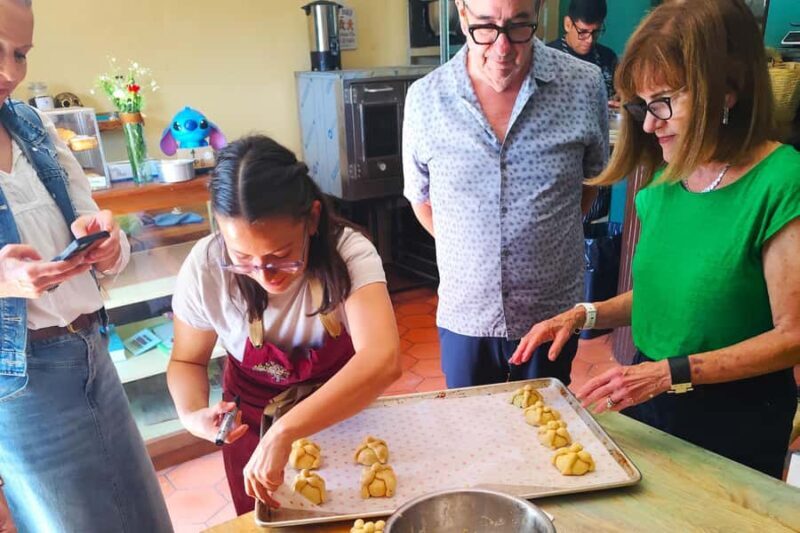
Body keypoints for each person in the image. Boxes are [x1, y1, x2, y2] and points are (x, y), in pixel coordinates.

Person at [511, 0, 800, 479]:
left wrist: (672, 372)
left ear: (727, 90)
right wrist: (585, 313)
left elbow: (792, 336)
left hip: (736, 419)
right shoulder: (668, 180)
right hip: (650, 397)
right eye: (642, 105)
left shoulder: (781, 182)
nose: (647, 123)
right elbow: (671, 298)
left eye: (664, 101)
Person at [0, 0, 173, 531]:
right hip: (22, 384)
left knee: (144, 516)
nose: (10, 73)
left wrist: (104, 243)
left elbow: (93, 228)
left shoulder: (29, 124)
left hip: (91, 350)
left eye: (21, 54)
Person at [167, 135, 402, 514]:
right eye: (242, 257)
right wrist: (192, 415)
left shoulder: (349, 254)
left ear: (311, 218)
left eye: (281, 256)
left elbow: (383, 358)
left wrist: (286, 429)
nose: (265, 274)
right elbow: (186, 362)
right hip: (253, 426)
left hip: (342, 415)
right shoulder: (205, 267)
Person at [403, 0, 608, 389]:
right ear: (462, 15)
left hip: (551, 309)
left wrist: (540, 234)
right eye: (485, 26)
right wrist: (474, 249)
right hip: (467, 312)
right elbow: (422, 200)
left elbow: (590, 183)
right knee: (472, 431)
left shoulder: (583, 84)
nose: (502, 48)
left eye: (519, 26)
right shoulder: (425, 98)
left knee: (546, 430)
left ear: (540, 13)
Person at [548, 0, 618, 103]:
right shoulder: (548, 58)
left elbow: (621, 96)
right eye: (583, 32)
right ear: (568, 24)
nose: (589, 40)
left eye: (596, 31)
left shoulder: (608, 57)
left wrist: (622, 99)